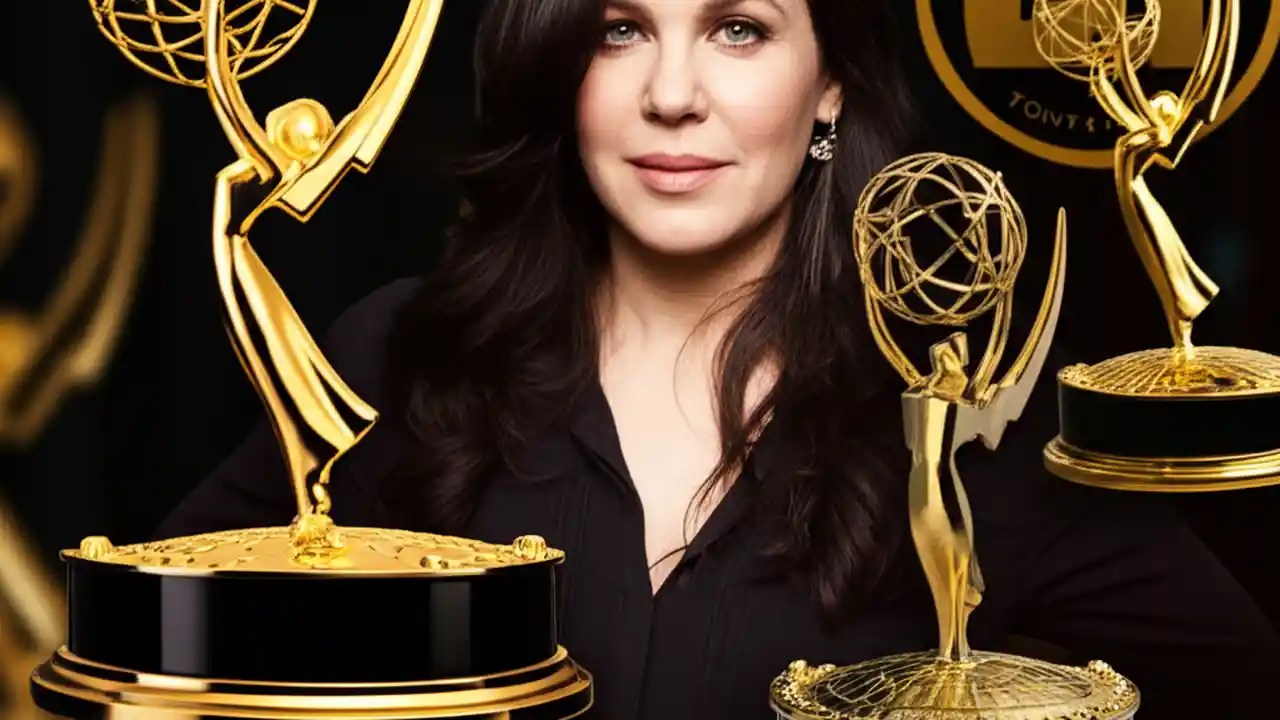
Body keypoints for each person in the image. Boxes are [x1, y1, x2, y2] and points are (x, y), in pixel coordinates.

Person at [156, 0, 1278, 717]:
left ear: (830, 83)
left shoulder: (976, 411)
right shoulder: (396, 361)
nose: (672, 95)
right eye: (619, 29)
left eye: (738, 28)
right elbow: (151, 658)